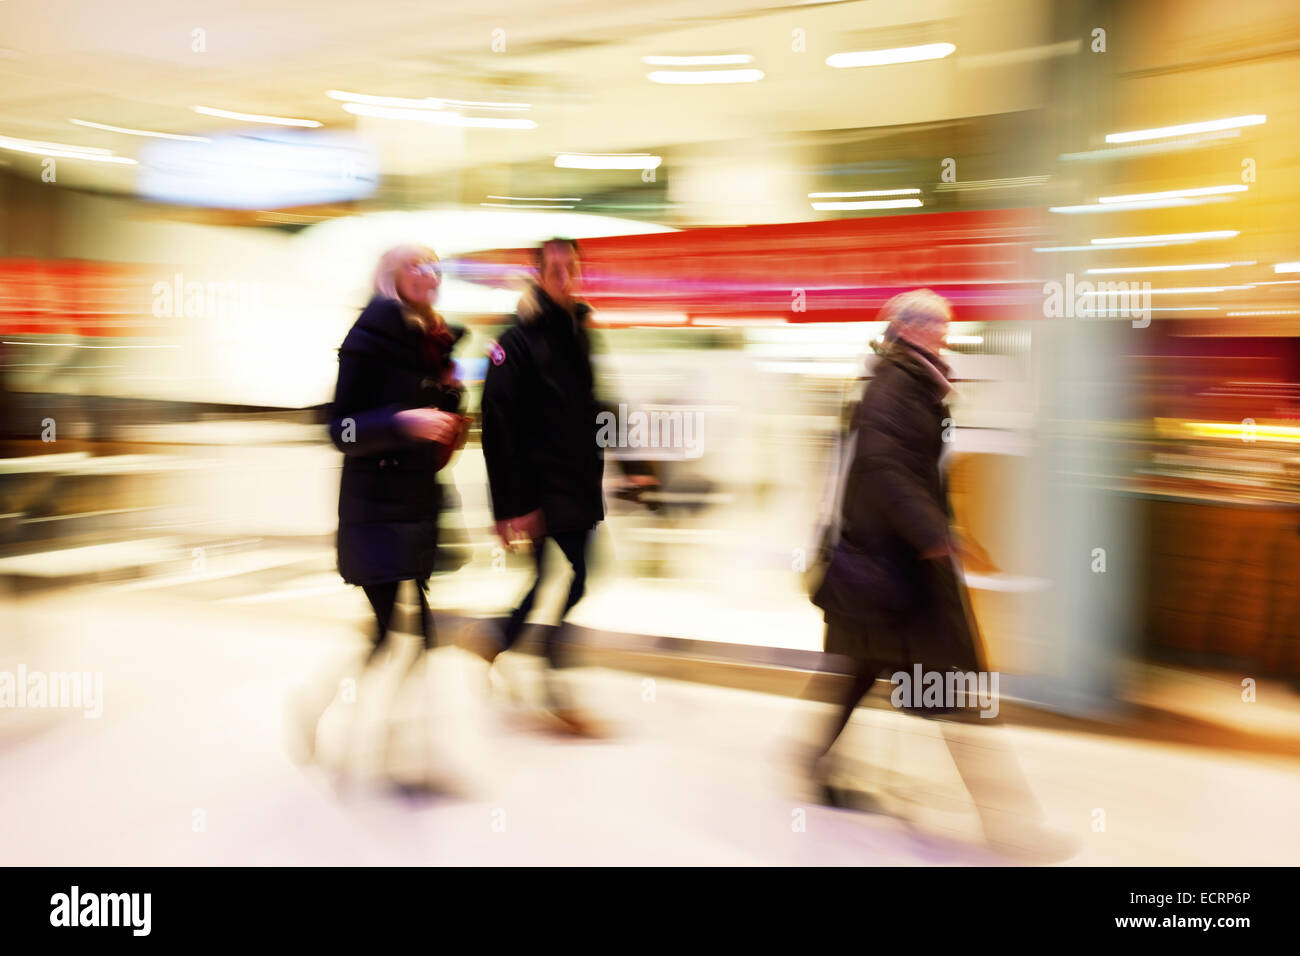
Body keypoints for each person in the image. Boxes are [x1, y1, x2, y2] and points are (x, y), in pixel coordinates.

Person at [805, 288, 1074, 860]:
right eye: (932, 323)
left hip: (891, 570)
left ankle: (815, 764)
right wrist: (935, 535)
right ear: (905, 328)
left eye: (944, 324)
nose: (942, 333)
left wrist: (937, 530)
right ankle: (1008, 825)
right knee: (950, 687)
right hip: (899, 571)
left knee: (862, 675)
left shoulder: (911, 381)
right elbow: (884, 467)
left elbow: (900, 470)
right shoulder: (896, 384)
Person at [290, 244, 469, 771]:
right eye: (416, 265)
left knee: (402, 638)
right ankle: (393, 747)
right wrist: (403, 422)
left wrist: (451, 405)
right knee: (405, 637)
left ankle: (375, 736)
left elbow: (436, 427)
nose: (428, 275)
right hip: (376, 513)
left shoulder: (431, 342)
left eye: (434, 267)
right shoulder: (367, 340)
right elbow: (340, 429)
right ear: (390, 277)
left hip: (415, 508)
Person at [473, 238, 606, 736]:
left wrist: (637, 464)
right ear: (538, 274)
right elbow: (498, 425)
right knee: (566, 578)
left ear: (580, 271)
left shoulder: (581, 332)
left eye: (570, 266)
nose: (563, 275)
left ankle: (496, 639)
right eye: (553, 267)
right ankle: (552, 685)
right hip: (540, 490)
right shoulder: (518, 341)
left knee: (560, 579)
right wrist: (512, 506)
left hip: (577, 487)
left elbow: (597, 406)